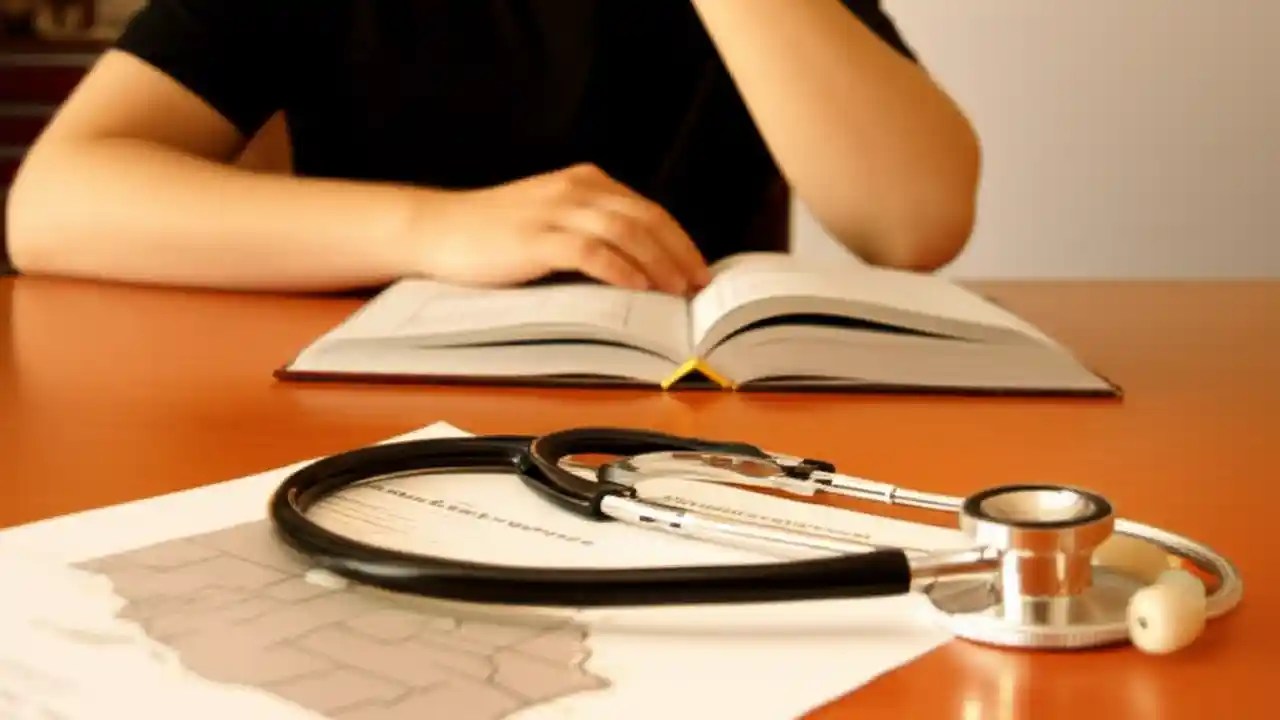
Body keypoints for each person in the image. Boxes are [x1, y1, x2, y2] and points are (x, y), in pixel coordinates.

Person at [6, 1, 981, 296]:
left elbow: (916, 221)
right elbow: (54, 203)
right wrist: (437, 227)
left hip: (692, 438)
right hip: (358, 431)